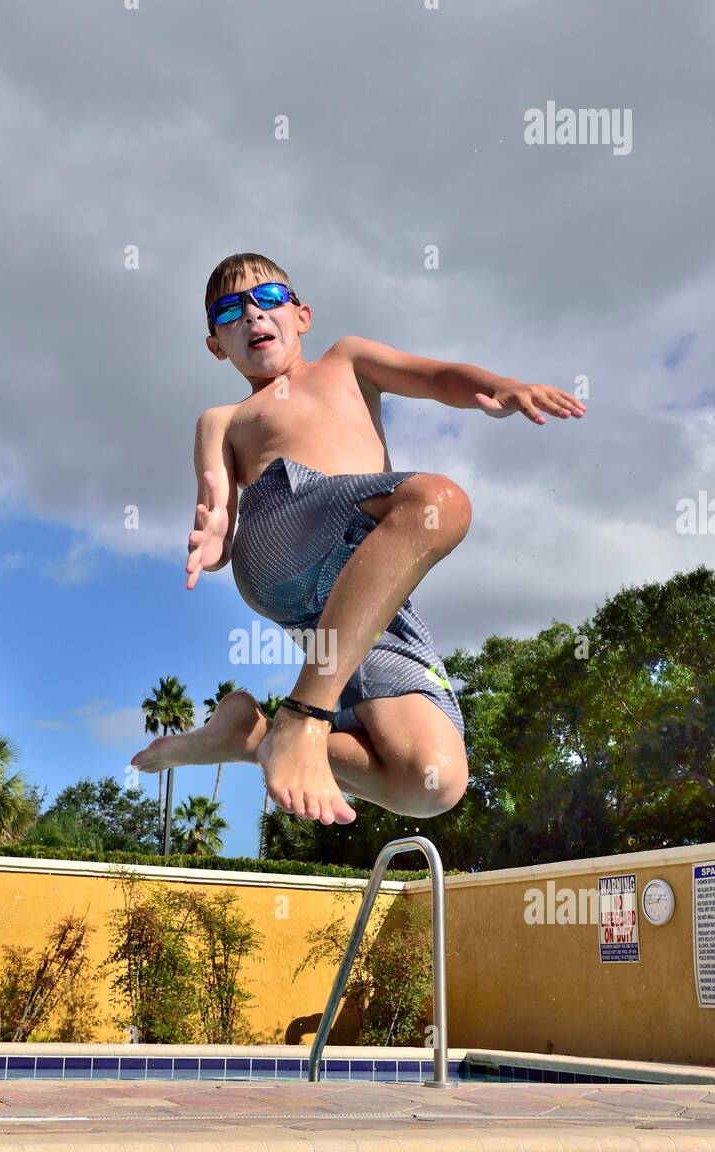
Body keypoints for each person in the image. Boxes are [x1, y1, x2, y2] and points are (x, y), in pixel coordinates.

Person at [132, 252, 584, 826]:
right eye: (229, 311)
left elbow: (436, 376)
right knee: (438, 504)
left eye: (268, 299)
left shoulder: (346, 360)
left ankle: (257, 737)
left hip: (364, 595)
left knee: (430, 782)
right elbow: (217, 507)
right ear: (215, 345)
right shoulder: (223, 419)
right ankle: (305, 715)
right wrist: (213, 534)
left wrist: (501, 386)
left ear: (302, 315)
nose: (251, 314)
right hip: (285, 534)